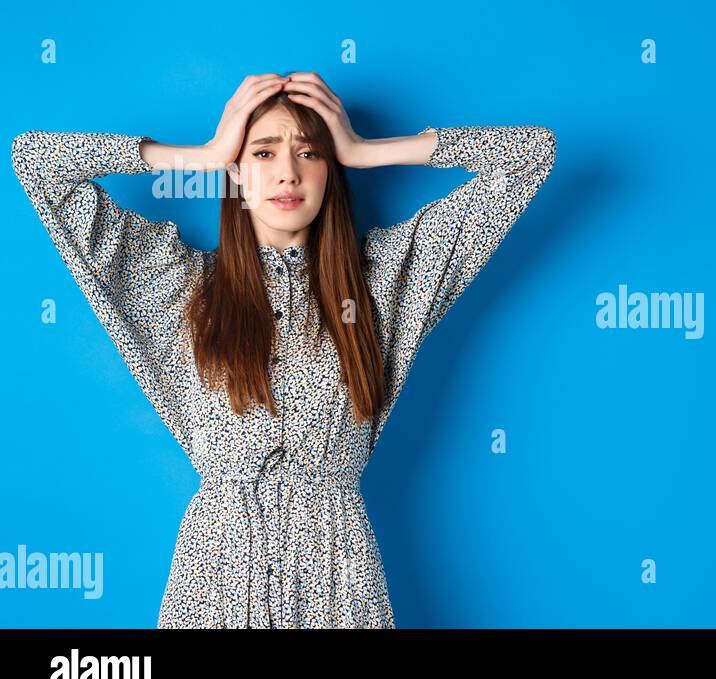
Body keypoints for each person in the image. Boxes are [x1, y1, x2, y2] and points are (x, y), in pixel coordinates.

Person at [11, 71, 557, 628]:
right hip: (217, 581)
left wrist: (363, 152)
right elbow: (35, 161)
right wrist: (204, 156)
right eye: (264, 152)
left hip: (341, 583)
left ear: (329, 171)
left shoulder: (382, 281)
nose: (287, 173)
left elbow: (531, 155)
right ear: (238, 171)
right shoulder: (177, 285)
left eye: (309, 153)